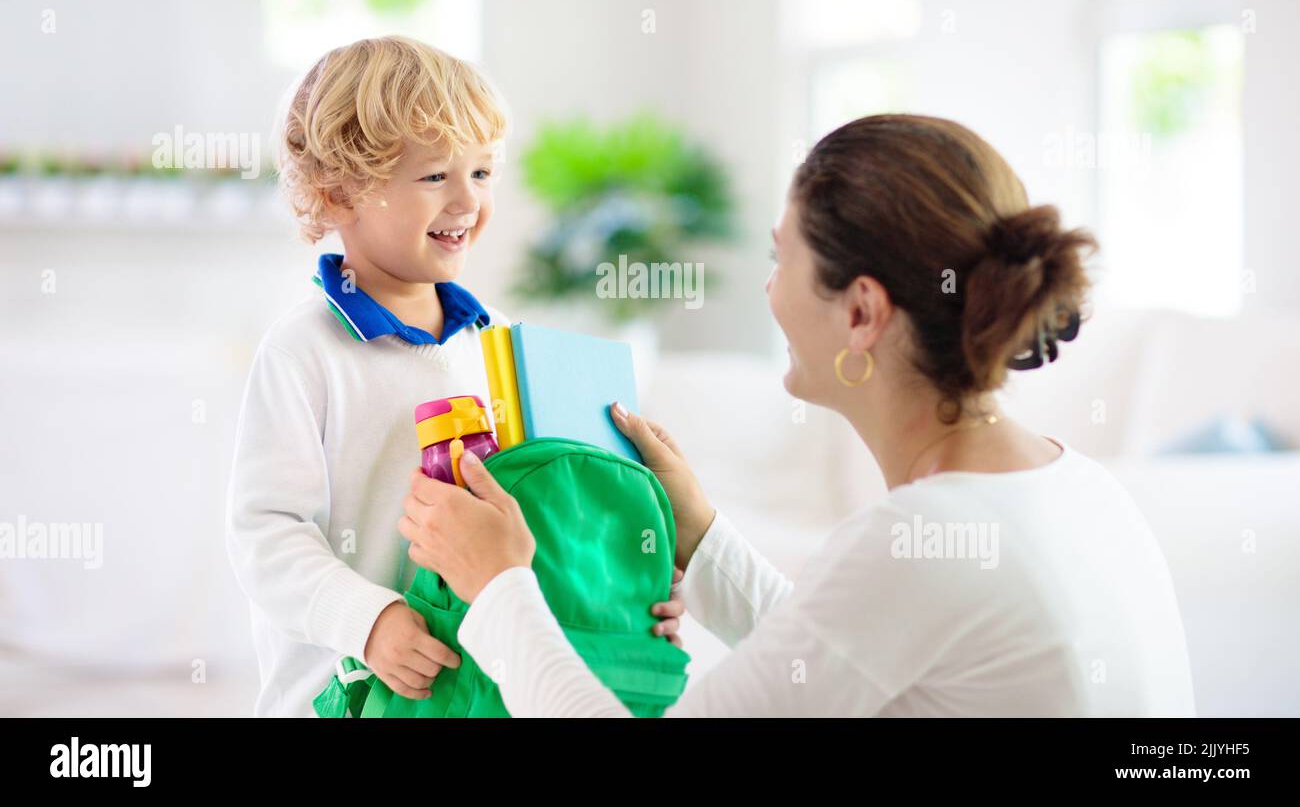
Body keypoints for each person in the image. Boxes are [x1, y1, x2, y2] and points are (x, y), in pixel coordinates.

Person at [400, 113, 1197, 717]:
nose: (770, 288)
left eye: (782, 259)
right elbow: (853, 655)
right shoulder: (1076, 488)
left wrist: (499, 584)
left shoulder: (919, 539)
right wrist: (700, 536)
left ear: (862, 312)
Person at [225, 34, 687, 716]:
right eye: (435, 176)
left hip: (471, 692)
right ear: (340, 193)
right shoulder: (303, 352)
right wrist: (368, 620)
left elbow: (545, 515)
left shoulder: (502, 343)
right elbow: (265, 532)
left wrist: (626, 583)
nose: (467, 201)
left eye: (482, 172)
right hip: (340, 694)